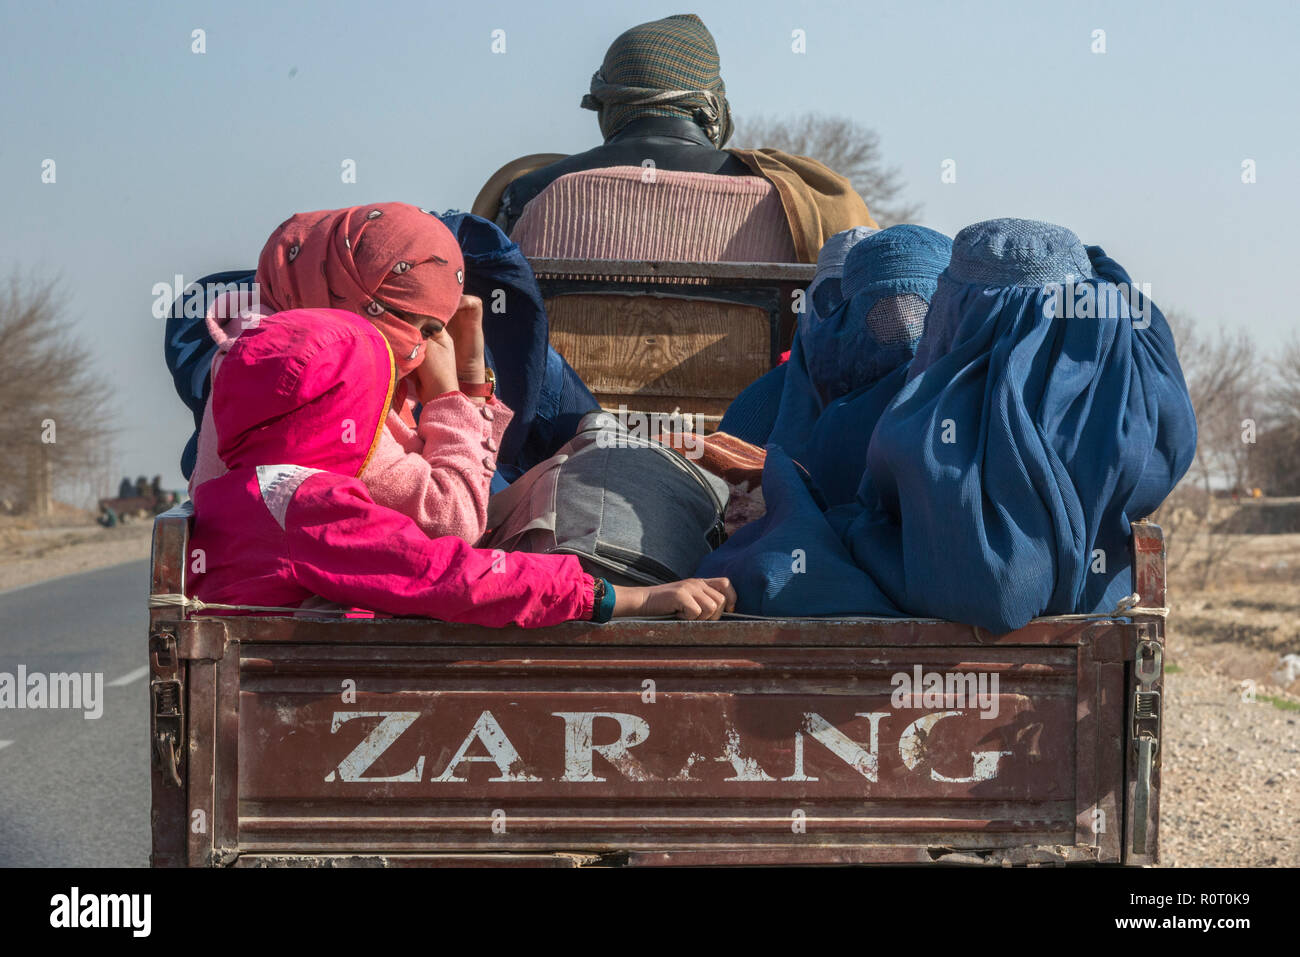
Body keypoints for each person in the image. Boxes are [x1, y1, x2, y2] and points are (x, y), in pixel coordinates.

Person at [699, 218, 1198, 632]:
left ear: (954, 311)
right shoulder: (1138, 412)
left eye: (925, 310)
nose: (907, 334)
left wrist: (784, 490)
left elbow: (993, 590)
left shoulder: (916, 425)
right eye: (884, 316)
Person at [189, 308, 735, 626]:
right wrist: (621, 596)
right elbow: (449, 576)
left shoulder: (231, 492)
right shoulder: (308, 506)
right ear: (346, 411)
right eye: (379, 400)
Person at [190, 203, 535, 544]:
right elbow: (457, 521)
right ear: (356, 298)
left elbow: (477, 484)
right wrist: (449, 396)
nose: (424, 351)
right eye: (426, 330)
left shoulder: (263, 349)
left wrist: (472, 377)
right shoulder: (306, 382)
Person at [474, 13, 877, 261]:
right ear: (714, 109)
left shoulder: (528, 192)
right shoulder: (797, 201)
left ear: (606, 106)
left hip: (561, 404)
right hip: (757, 402)